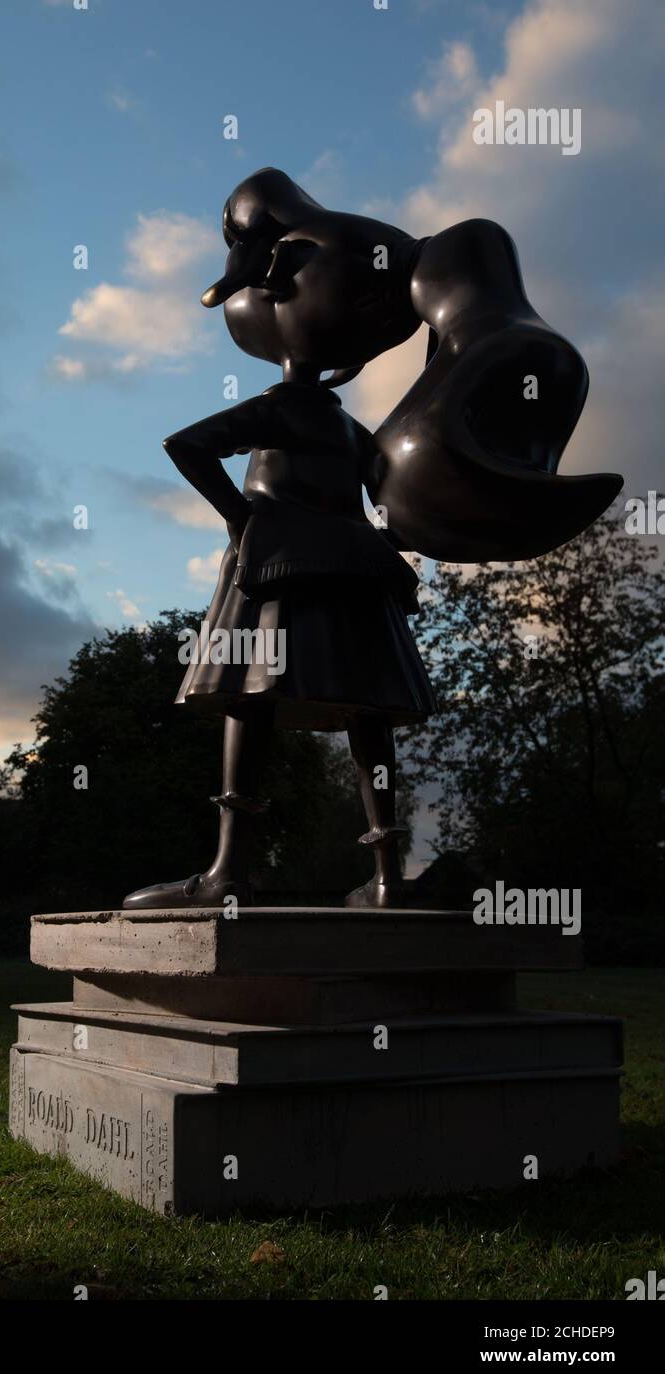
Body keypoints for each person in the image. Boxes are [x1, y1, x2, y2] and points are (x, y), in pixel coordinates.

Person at [122, 169, 621, 910]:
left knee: (249, 704)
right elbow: (380, 490)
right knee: (368, 714)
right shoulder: (349, 427)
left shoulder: (286, 409)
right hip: (354, 567)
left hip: (278, 567)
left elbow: (186, 446)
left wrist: (238, 515)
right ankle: (386, 873)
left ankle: (232, 871)